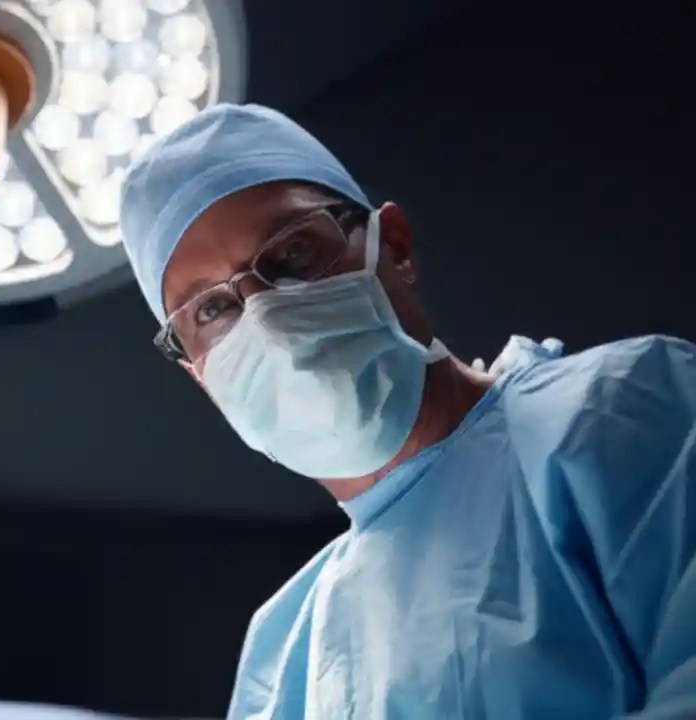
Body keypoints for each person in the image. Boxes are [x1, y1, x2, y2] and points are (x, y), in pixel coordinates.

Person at [118, 103, 696, 719]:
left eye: (292, 253)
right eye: (212, 310)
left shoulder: (621, 408)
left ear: (392, 246)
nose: (267, 318)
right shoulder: (283, 655)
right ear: (199, 373)